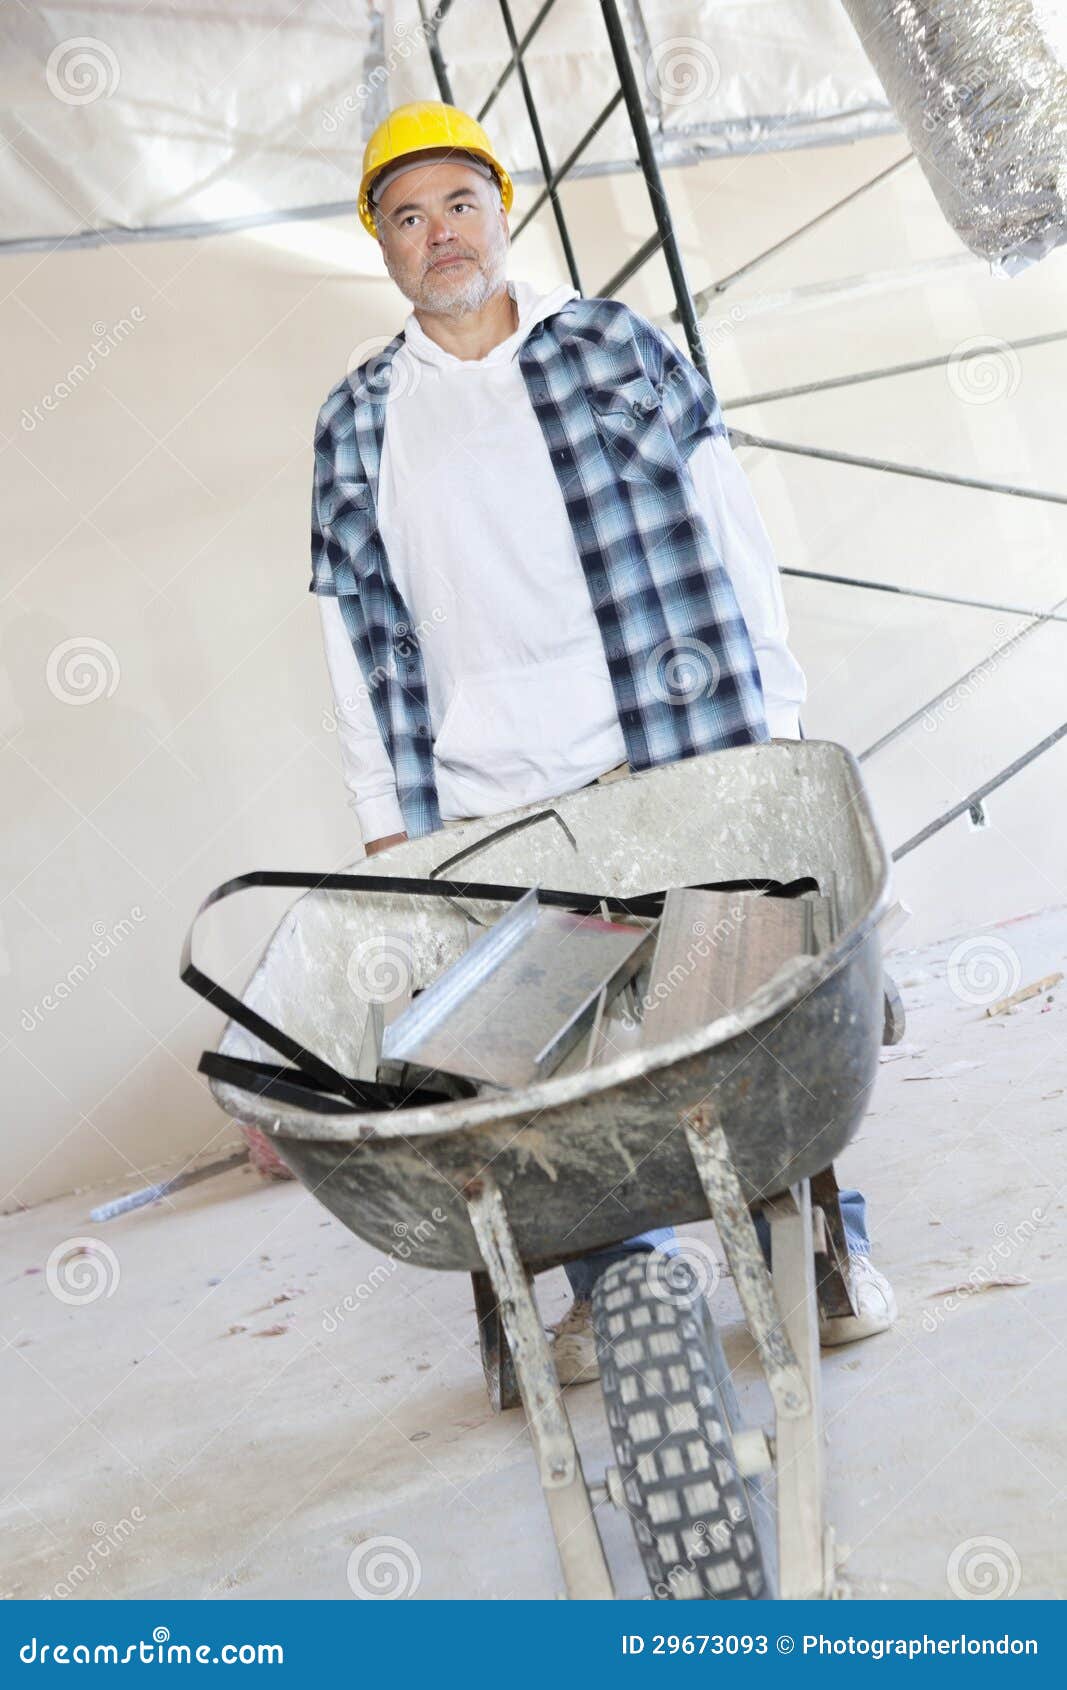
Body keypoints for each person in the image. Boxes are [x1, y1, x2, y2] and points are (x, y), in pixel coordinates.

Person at [309, 101, 897, 1381]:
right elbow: (351, 628)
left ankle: (814, 1245)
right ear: (382, 246)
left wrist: (773, 721)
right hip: (495, 800)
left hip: (672, 749)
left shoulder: (613, 347)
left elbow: (728, 526)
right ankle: (620, 1277)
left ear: (499, 210)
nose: (438, 233)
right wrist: (385, 818)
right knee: (556, 1074)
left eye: (458, 203)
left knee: (739, 1018)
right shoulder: (357, 419)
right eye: (405, 217)